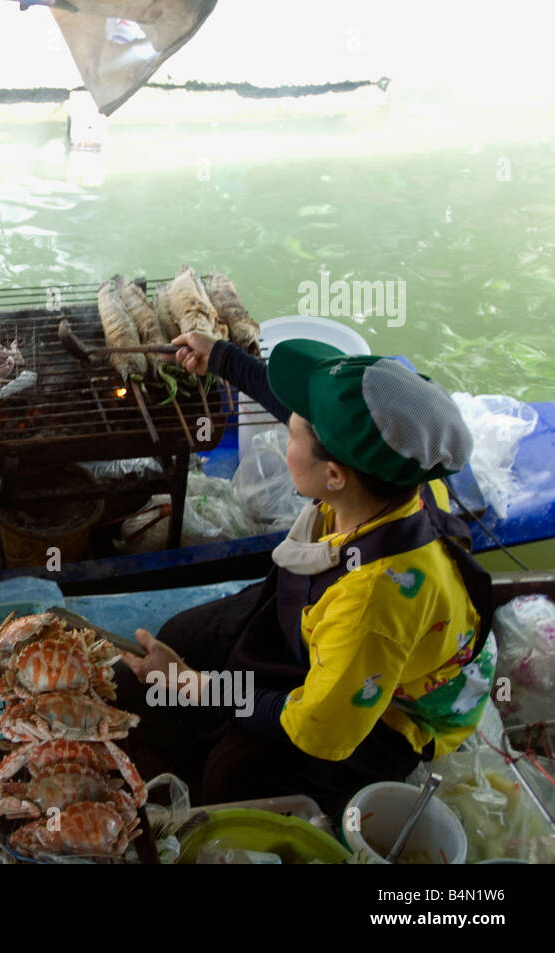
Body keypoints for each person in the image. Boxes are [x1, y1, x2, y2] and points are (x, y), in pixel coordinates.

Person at [113, 330, 495, 817]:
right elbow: (308, 417)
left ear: (334, 475)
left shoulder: (374, 602)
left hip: (382, 705)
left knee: (231, 774)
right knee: (182, 636)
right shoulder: (392, 474)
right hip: (333, 620)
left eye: (291, 434)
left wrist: (193, 685)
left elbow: (315, 724)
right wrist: (223, 359)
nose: (283, 433)